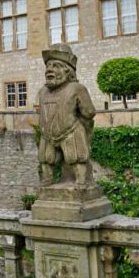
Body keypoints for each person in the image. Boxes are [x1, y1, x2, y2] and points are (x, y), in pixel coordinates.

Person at [37, 44, 96, 187]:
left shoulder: (76, 88)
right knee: (45, 159)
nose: (50, 70)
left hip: (70, 130)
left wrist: (81, 125)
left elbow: (89, 112)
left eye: (56, 66)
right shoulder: (43, 91)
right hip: (47, 133)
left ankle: (81, 182)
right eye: (48, 66)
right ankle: (47, 181)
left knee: (77, 157)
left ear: (68, 71)